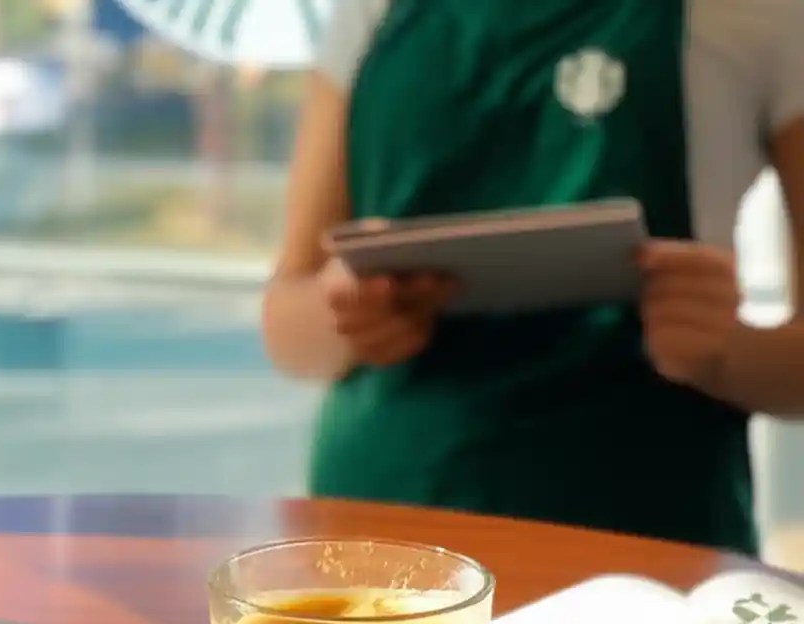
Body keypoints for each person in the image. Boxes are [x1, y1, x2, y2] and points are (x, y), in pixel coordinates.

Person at [263, 0, 804, 554]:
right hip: (382, 524)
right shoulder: (368, 11)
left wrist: (728, 353)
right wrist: (345, 312)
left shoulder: (756, 15)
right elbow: (286, 325)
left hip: (645, 539)